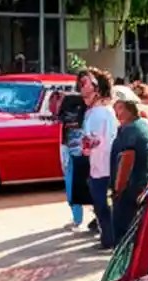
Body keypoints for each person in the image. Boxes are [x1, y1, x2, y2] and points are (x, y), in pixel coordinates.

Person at [109, 91, 148, 246]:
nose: (116, 113)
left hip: (129, 190)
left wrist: (118, 189)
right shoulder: (144, 124)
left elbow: (127, 158)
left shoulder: (130, 130)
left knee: (124, 235)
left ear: (126, 108)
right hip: (142, 186)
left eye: (118, 108)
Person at [80, 67, 117, 248]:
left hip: (102, 167)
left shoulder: (99, 113)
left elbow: (93, 142)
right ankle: (108, 238)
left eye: (85, 83)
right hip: (101, 166)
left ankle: (108, 240)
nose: (81, 88)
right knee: (102, 205)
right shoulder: (99, 111)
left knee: (102, 206)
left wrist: (87, 145)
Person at [57, 70, 91, 230]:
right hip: (70, 146)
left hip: (87, 147)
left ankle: (96, 219)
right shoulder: (69, 99)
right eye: (82, 82)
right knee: (71, 182)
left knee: (91, 183)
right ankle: (78, 218)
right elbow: (61, 120)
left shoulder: (93, 103)